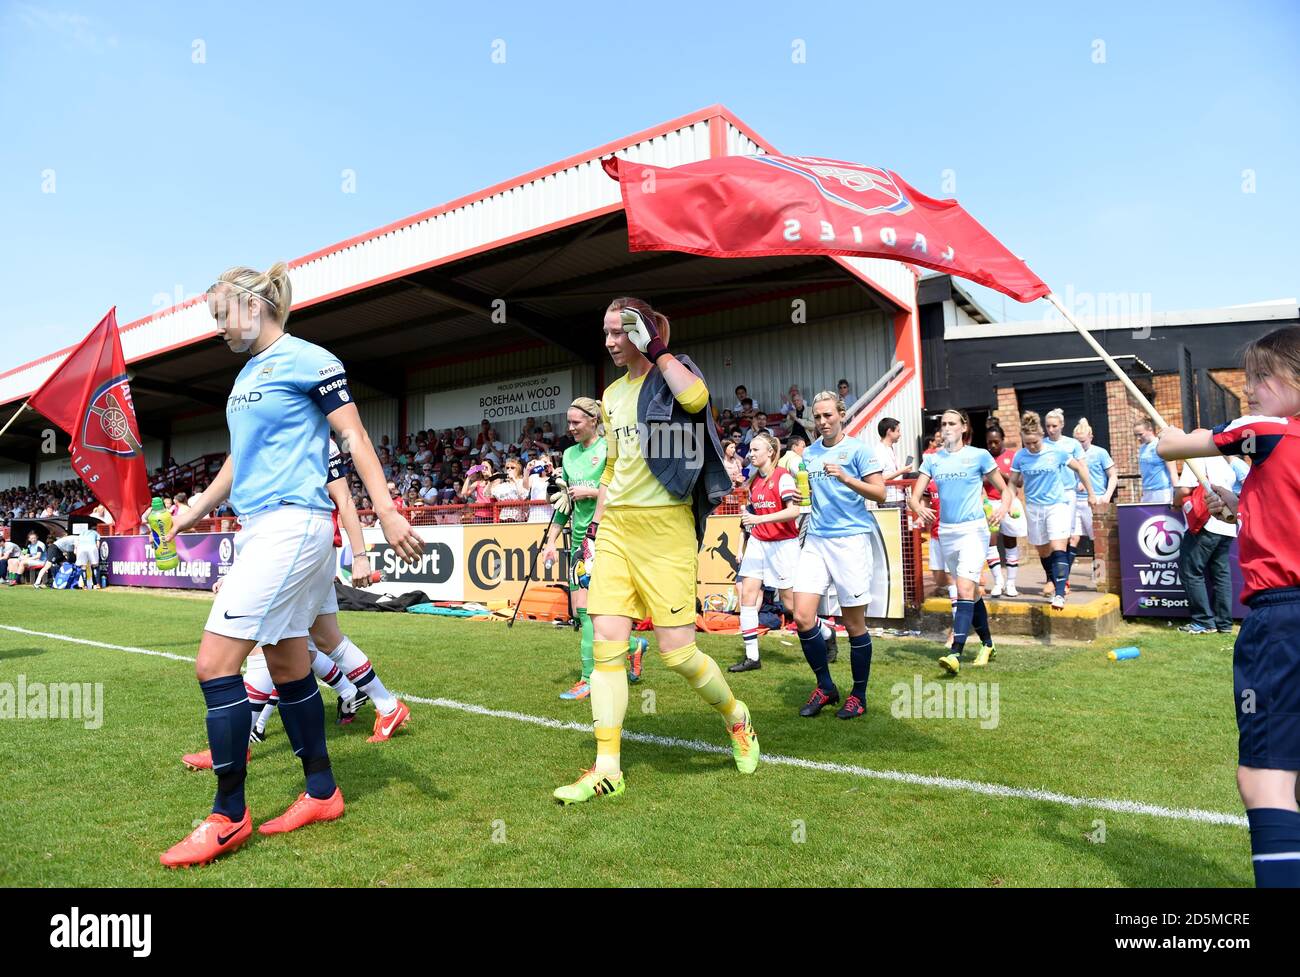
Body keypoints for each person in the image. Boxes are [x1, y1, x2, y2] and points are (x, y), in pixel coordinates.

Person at [158, 261, 421, 868]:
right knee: (288, 664)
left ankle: (228, 816)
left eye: (222, 313)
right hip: (263, 528)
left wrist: (384, 510)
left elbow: (354, 437)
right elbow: (238, 459)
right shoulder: (246, 374)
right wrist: (195, 510)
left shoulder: (309, 357)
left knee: (214, 664)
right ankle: (323, 792)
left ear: (254, 305)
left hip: (291, 526)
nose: (218, 326)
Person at [552, 297, 756, 804]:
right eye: (606, 333)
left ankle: (736, 716)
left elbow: (696, 400)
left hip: (666, 529)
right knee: (606, 643)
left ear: (641, 331)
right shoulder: (612, 393)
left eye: (618, 332)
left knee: (679, 653)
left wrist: (657, 347)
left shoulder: (673, 371)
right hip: (618, 527)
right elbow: (612, 468)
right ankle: (607, 768)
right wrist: (596, 526)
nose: (609, 342)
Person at [1157, 324, 1300, 888]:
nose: (1251, 389)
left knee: (1266, 776)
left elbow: (1173, 446)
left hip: (1283, 619)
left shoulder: (1264, 429)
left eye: (1263, 376)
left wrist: (1165, 435)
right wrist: (1241, 503)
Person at [184, 436, 411, 763]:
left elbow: (344, 499)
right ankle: (386, 705)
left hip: (301, 551)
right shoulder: (303, 436)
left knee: (271, 641)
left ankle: (241, 744)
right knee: (325, 638)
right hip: (313, 550)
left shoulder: (309, 438)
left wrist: (360, 555)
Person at [542, 398, 649, 702]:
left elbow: (626, 489)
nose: (571, 427)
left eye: (576, 422)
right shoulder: (569, 455)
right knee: (581, 613)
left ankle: (588, 678)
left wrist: (591, 491)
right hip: (578, 542)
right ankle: (632, 647)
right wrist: (550, 542)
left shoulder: (608, 449)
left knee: (592, 613)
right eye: (569, 422)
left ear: (594, 420)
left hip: (607, 538)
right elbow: (564, 505)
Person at [791, 391, 886, 719]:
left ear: (841, 415)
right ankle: (826, 686)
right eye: (817, 417)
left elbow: (881, 493)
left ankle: (858, 695)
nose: (822, 422)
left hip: (850, 542)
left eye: (828, 415)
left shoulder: (859, 450)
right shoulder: (810, 455)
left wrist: (847, 477)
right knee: (802, 616)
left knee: (853, 623)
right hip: (816, 540)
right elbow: (811, 496)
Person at [911, 410, 1011, 674]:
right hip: (946, 532)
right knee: (972, 593)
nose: (946, 428)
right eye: (943, 424)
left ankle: (956, 652)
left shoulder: (978, 455)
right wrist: (918, 508)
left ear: (963, 428)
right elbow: (915, 495)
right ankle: (988, 644)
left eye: (952, 423)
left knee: (965, 589)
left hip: (974, 530)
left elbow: (1005, 489)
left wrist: (1003, 508)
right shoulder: (932, 460)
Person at [1008, 411, 1097, 611]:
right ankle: (1052, 578)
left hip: (1057, 504)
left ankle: (1059, 593)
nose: (1031, 447)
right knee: (1042, 548)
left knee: (1059, 547)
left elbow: (1080, 468)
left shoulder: (1055, 451)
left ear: (1041, 437)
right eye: (1027, 443)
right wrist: (1009, 503)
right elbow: (1013, 483)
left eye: (1035, 443)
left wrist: (1090, 492)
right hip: (1033, 507)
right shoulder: (1020, 457)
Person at [730, 433, 800, 672]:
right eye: (750, 450)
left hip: (783, 544)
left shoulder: (783, 477)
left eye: (756, 449)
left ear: (770, 452)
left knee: (793, 607)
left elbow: (794, 512)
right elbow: (752, 514)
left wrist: (760, 518)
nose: (751, 453)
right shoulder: (754, 481)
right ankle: (752, 657)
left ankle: (825, 632)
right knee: (747, 596)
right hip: (759, 542)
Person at [1171, 451, 1239, 635]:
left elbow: (1184, 489)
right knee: (1221, 574)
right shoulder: (1224, 460)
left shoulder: (1194, 457)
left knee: (1191, 571)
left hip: (1205, 522)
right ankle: (1224, 624)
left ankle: (1203, 621)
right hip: (1228, 525)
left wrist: (1174, 502)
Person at [1042, 409, 1086, 595]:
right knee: (1047, 539)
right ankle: (1051, 578)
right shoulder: (1041, 444)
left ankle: (1063, 580)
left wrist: (1083, 483)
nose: (1051, 429)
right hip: (1047, 495)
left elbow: (1081, 466)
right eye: (1048, 426)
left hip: (1068, 493)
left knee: (1065, 536)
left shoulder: (1072, 444)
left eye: (1054, 426)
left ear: (1061, 425)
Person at [983, 426, 1027, 597]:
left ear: (1002, 439)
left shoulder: (1012, 456)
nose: (993, 445)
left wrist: (999, 473)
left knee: (1010, 542)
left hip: (1009, 504)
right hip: (990, 504)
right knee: (990, 542)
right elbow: (979, 480)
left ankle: (1011, 583)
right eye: (989, 442)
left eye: (996, 441)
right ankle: (998, 582)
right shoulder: (983, 457)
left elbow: (1020, 482)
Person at [1070, 419, 1118, 567]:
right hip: (1076, 500)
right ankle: (1063, 579)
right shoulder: (1070, 454)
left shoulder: (1100, 453)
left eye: (1082, 441)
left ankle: (1100, 575)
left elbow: (1113, 475)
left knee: (1097, 539)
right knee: (1072, 538)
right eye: (1077, 441)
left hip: (1095, 499)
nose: (1080, 445)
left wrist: (1107, 496)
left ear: (1090, 437)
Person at [1136, 415, 1178, 504]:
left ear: (1150, 429)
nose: (1138, 438)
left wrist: (1176, 495)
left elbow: (1173, 473)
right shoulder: (1142, 448)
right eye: (1136, 435)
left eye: (1140, 434)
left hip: (1163, 492)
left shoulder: (1162, 445)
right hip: (1147, 493)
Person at [872, 416, 910, 504]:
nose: (900, 434)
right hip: (889, 500)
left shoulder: (890, 449)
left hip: (898, 497)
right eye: (898, 431)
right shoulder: (879, 451)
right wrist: (901, 471)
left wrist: (903, 472)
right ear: (889, 431)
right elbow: (879, 478)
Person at [76, 523, 101, 589]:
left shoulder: (82, 533)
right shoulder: (96, 533)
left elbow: (77, 543)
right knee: (95, 566)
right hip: (91, 547)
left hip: (81, 548)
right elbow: (97, 545)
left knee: (83, 567)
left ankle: (85, 586)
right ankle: (97, 584)